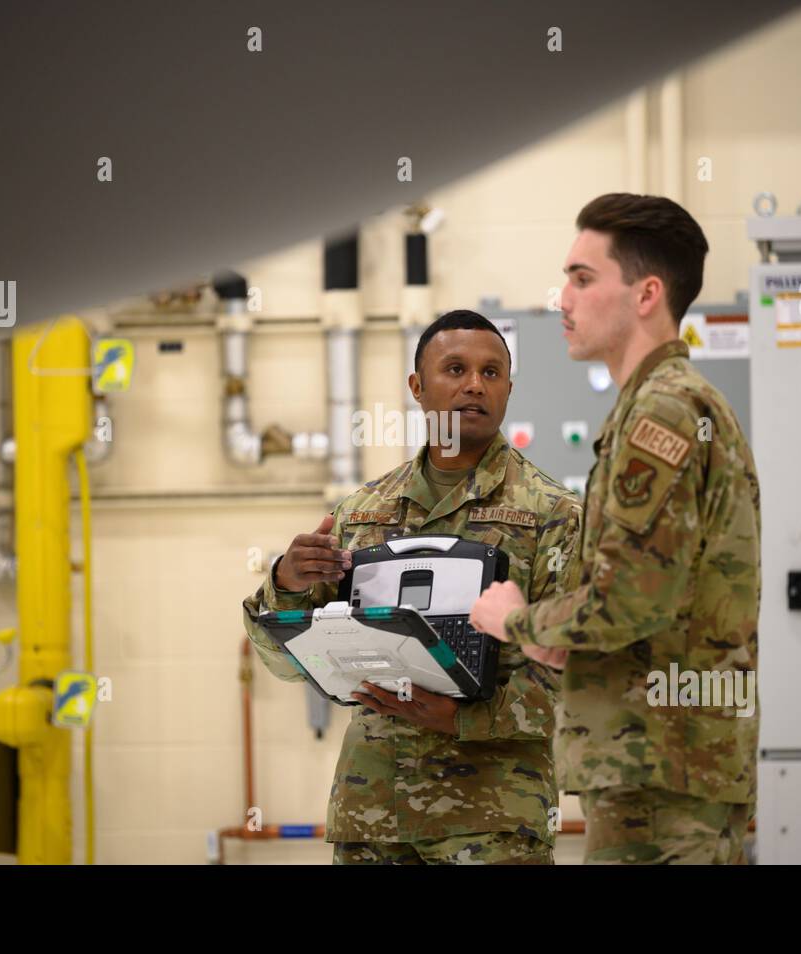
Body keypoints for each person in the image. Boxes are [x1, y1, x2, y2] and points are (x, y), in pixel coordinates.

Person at [470, 194, 761, 864]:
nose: (563, 300)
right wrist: (564, 645)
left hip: (658, 772)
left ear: (646, 294)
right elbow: (660, 600)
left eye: (582, 279)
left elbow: (628, 599)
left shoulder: (663, 414)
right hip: (671, 763)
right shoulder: (668, 405)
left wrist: (515, 620)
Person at [242, 309, 582, 864]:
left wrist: (461, 718)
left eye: (492, 373)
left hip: (492, 821)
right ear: (417, 388)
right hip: (372, 816)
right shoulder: (361, 511)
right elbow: (287, 665)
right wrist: (286, 583)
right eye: (455, 368)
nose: (475, 383)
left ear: (509, 390)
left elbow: (582, 674)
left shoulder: (555, 516)